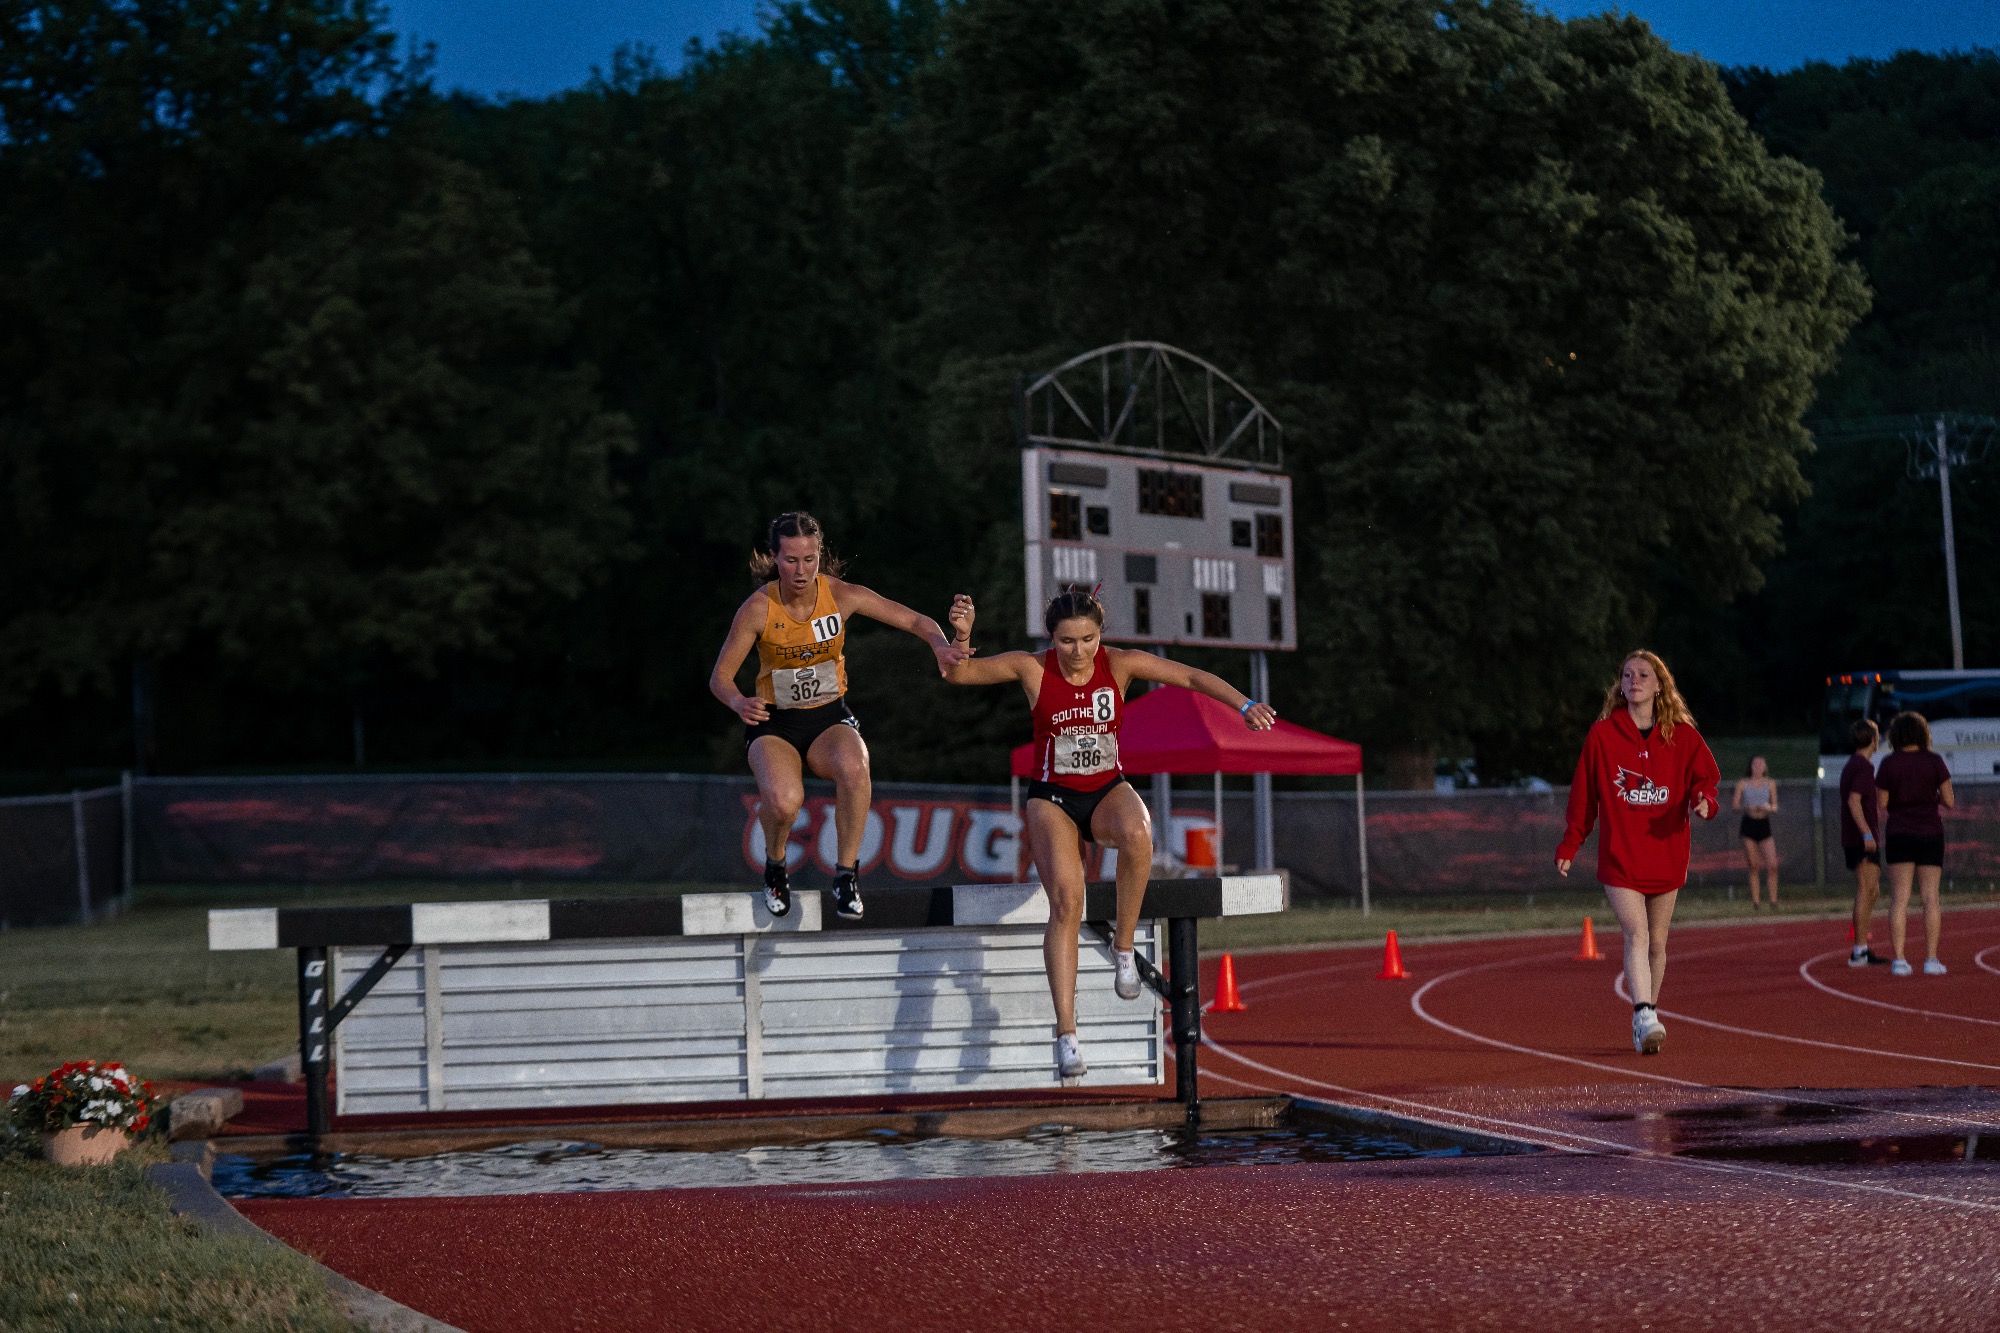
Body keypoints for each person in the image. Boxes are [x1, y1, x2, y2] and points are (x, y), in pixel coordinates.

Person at [940, 587, 1276, 1079]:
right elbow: (959, 672)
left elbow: (1188, 675)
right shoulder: (1033, 668)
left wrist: (1243, 703)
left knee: (1141, 831)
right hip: (1052, 798)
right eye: (1067, 642)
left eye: (1088, 639)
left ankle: (1123, 950)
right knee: (1067, 902)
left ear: (1101, 633)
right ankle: (1067, 1035)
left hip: (1105, 790)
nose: (1078, 652)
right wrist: (962, 636)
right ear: (1051, 638)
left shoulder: (1118, 665)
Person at [708, 512, 966, 921]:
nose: (801, 570)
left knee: (855, 764)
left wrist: (939, 645)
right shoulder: (758, 609)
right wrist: (740, 702)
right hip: (774, 723)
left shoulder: (843, 595)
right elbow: (719, 678)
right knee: (784, 801)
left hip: (828, 717)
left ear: (819, 556)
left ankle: (846, 875)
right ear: (775, 558)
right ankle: (776, 866)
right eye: (791, 560)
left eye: (809, 559)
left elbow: (916, 620)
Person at [1555, 650, 1720, 1056]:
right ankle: (1645, 1013)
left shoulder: (1682, 737)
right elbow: (1584, 796)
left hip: (1666, 854)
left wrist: (1704, 803)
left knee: (1659, 942)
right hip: (1621, 857)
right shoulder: (1602, 736)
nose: (1634, 680)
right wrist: (1571, 842)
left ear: (1660, 684)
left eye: (1644, 675)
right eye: (1628, 675)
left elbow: (1707, 782)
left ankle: (1646, 1015)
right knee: (1637, 933)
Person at [1874, 711, 1954, 977]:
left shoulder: (1888, 764)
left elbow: (1882, 803)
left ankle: (1899, 959)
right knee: (1931, 898)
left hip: (1900, 832)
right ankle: (1931, 958)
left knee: (1900, 899)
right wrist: (1930, 796)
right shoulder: (1934, 761)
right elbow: (1950, 800)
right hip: (1930, 831)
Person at [1839, 719, 1886, 966]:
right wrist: (1867, 834)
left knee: (1872, 890)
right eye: (1877, 735)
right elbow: (1854, 801)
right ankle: (1859, 950)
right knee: (1866, 890)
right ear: (1872, 739)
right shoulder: (1863, 767)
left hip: (1855, 836)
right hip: (1861, 838)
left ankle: (1862, 946)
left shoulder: (1853, 765)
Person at [1732, 756, 1780, 908]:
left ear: (1765, 767)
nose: (1758, 766)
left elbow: (1775, 806)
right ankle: (1756, 902)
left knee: (1772, 864)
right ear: (1751, 766)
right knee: (1753, 865)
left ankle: (1773, 901)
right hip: (1749, 824)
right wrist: (1748, 807)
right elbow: (1735, 805)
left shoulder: (1770, 783)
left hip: (1764, 824)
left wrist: (1768, 808)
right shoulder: (1743, 783)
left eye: (1761, 763)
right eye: (1755, 763)